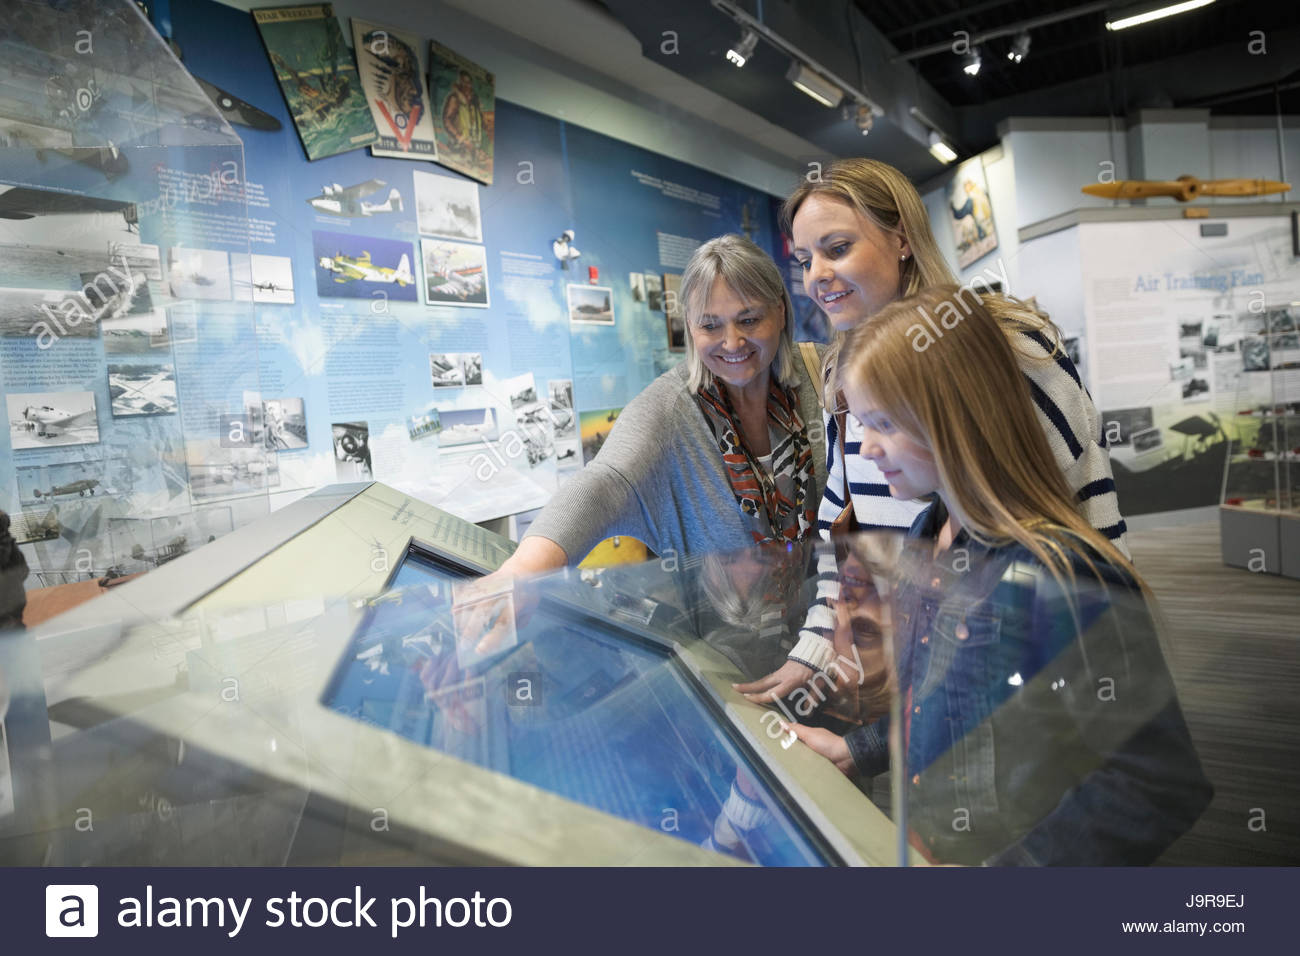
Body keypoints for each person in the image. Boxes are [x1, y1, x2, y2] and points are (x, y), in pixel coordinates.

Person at [781, 286, 1212, 865]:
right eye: (861, 423)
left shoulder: (1061, 570)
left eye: (883, 421)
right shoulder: (928, 536)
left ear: (956, 415)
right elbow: (946, 704)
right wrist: (855, 750)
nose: (868, 447)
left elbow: (1155, 783)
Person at [738, 158, 1127, 703]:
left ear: (901, 238)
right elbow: (840, 530)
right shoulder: (841, 376)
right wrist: (817, 647)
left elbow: (1082, 504)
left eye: (837, 248)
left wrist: (1108, 658)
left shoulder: (1010, 348)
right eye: (804, 259)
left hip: (1035, 657)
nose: (816, 275)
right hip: (917, 674)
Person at [487, 233, 826, 595]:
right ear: (691, 326)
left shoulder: (824, 372)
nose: (732, 343)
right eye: (710, 325)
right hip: (728, 646)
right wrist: (521, 572)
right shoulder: (669, 408)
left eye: (748, 319)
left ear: (780, 310)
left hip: (839, 628)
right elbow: (604, 483)